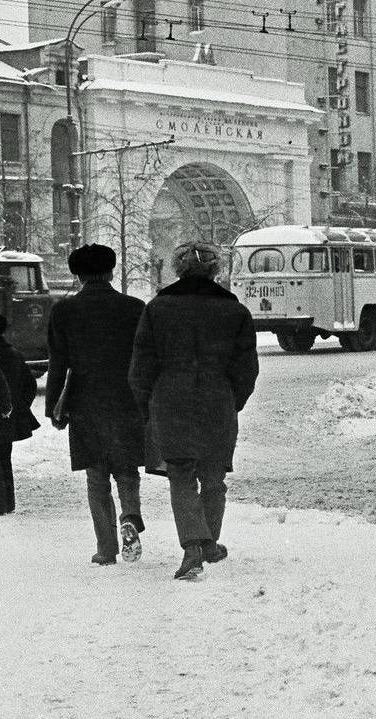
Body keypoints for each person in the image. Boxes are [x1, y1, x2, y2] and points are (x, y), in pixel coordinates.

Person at [130, 240, 259, 581]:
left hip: (170, 399)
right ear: (215, 270)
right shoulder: (235, 311)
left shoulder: (157, 309)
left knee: (182, 474)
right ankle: (209, 543)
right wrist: (235, 400)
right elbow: (247, 369)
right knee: (214, 476)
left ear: (178, 268)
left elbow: (141, 366)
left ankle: (192, 548)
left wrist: (147, 405)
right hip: (218, 400)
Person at [46, 244, 146, 566]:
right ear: (111, 272)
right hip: (126, 398)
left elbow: (58, 362)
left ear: (78, 275)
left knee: (96, 475)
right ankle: (130, 516)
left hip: (86, 400)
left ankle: (106, 548)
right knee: (127, 469)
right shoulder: (134, 308)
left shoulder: (64, 311)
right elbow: (145, 359)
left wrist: (54, 409)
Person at [0, 313, 35, 515]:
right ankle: (8, 500)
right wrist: (18, 408)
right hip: (8, 416)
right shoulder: (15, 354)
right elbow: (30, 385)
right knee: (5, 458)